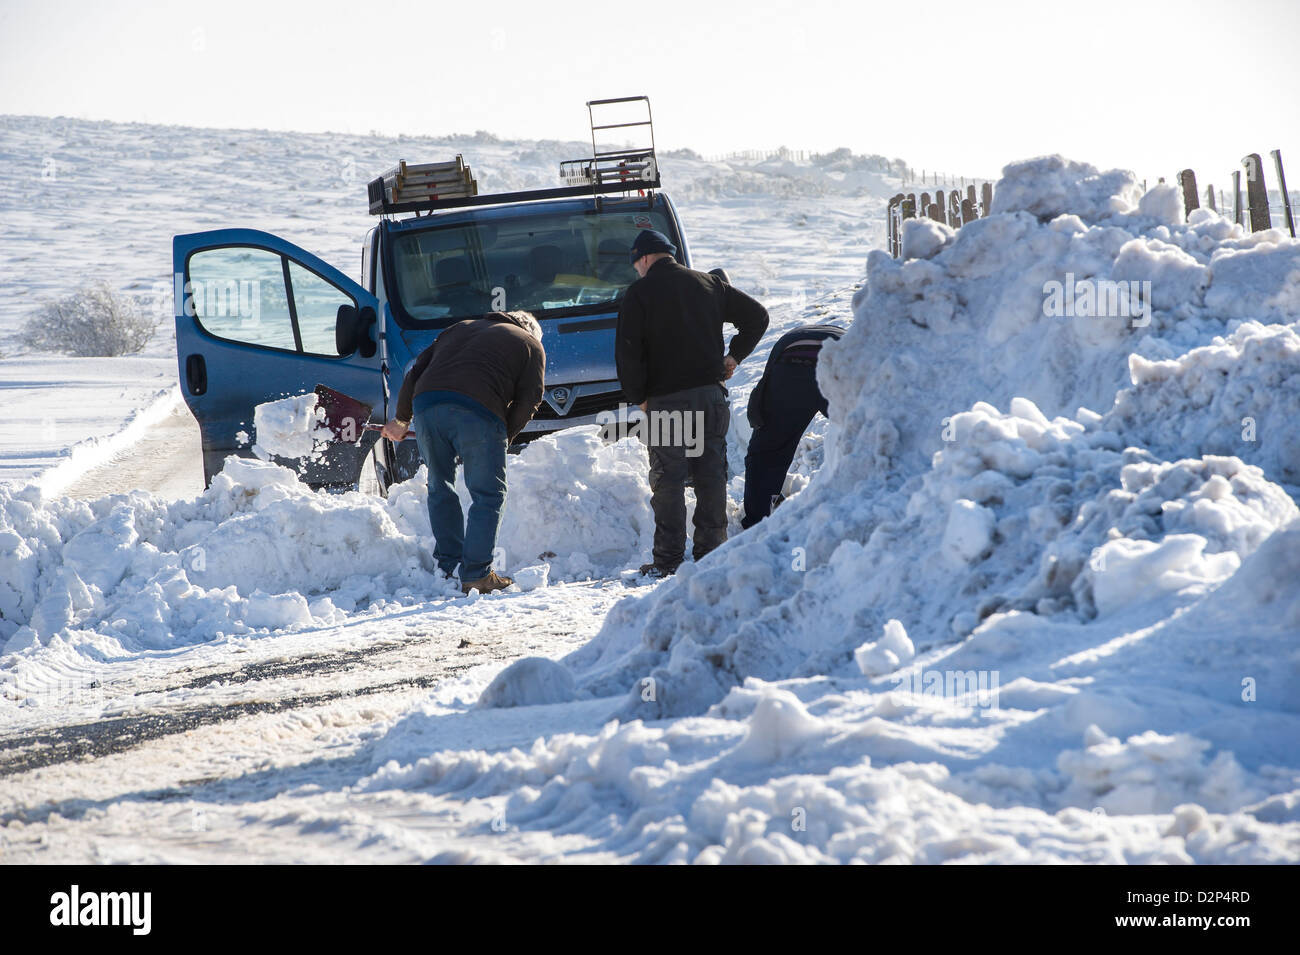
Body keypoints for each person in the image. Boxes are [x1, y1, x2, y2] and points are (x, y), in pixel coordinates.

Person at [616, 229, 769, 577]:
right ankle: (711, 552)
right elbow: (758, 316)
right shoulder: (708, 284)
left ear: (642, 258)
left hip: (666, 400)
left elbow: (628, 352)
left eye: (635, 264)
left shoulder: (639, 293)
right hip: (709, 397)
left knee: (668, 478)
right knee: (710, 473)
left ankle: (668, 560)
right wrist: (735, 357)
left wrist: (637, 396)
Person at [382, 310, 545, 594]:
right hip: (478, 410)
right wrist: (503, 436)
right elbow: (529, 399)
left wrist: (401, 419)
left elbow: (416, 370)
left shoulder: (460, 327)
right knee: (489, 493)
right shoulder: (530, 345)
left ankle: (448, 566)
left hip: (427, 406)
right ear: (531, 331)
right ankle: (476, 574)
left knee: (440, 485)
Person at [741, 322, 845, 529]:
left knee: (769, 449)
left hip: (790, 364)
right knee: (857, 434)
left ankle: (757, 521)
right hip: (839, 361)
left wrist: (763, 424)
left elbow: (762, 396)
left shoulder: (789, 338)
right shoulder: (848, 336)